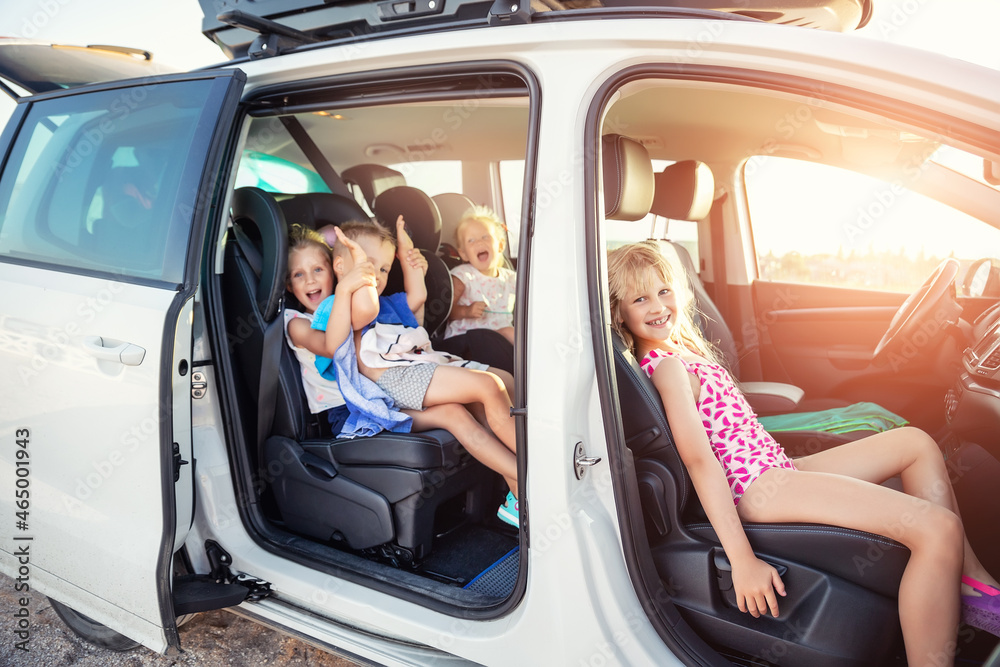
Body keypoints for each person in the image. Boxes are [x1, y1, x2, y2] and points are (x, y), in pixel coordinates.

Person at [607, 240, 1000, 666]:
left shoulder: (678, 354)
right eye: (640, 298)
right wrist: (742, 560)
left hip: (774, 467)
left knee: (916, 443)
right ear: (620, 312)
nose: (658, 305)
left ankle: (969, 582)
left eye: (664, 291)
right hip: (758, 487)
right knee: (937, 529)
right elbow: (699, 461)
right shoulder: (666, 368)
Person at [325, 218, 520, 527]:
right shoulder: (339, 306)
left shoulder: (390, 304)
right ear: (340, 265)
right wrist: (350, 282)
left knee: (504, 382)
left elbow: (418, 296)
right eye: (366, 263)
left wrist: (405, 252)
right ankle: (532, 478)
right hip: (391, 381)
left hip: (417, 368)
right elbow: (336, 343)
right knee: (490, 386)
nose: (375, 275)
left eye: (384, 269)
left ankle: (517, 489)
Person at [444, 207, 516, 345]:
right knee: (509, 333)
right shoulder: (463, 275)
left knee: (514, 334)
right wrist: (467, 311)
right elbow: (446, 311)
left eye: (485, 237)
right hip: (465, 342)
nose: (479, 242)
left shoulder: (511, 279)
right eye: (471, 240)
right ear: (463, 253)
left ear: (500, 245)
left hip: (498, 342)